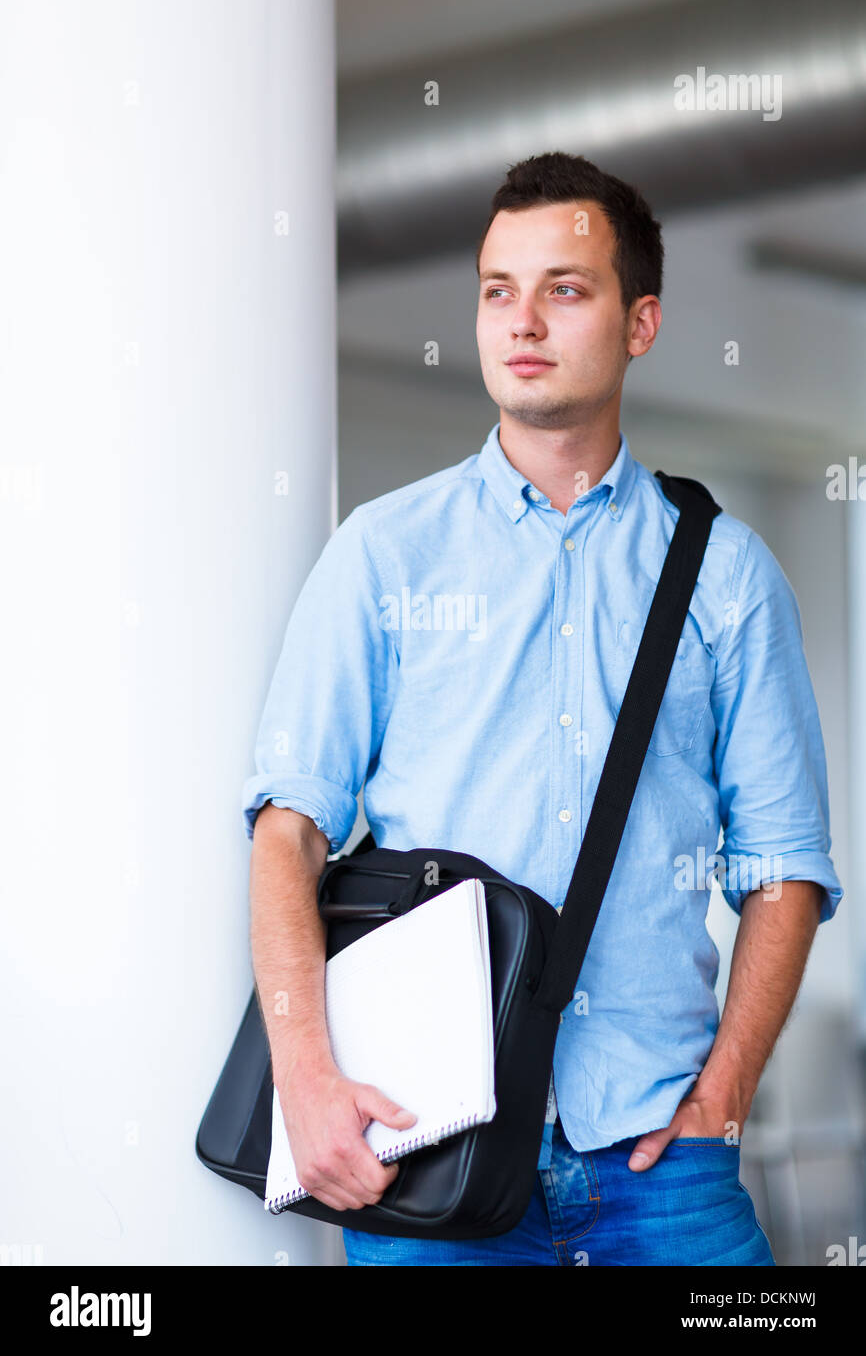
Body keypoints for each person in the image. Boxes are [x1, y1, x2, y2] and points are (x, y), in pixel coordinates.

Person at [243, 151, 843, 1266]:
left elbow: (784, 866)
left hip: (662, 1166)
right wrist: (307, 1080)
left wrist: (719, 1099)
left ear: (640, 322)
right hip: (430, 1155)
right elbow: (286, 830)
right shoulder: (383, 553)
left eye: (564, 288)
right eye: (494, 289)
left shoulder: (722, 573)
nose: (520, 320)